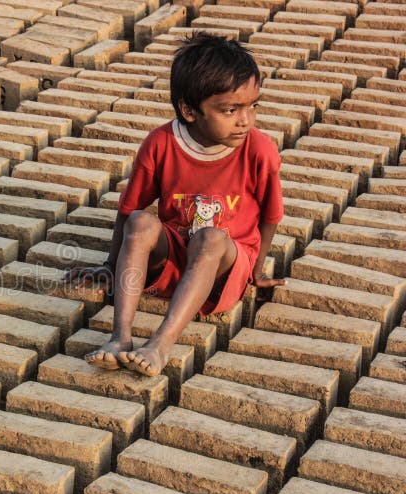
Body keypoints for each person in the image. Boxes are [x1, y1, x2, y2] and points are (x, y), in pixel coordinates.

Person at [64, 33, 286, 377]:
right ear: (188, 110)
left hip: (225, 263)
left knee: (210, 238)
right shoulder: (161, 143)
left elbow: (271, 217)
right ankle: (120, 336)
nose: (246, 120)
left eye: (253, 106)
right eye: (230, 110)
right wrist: (111, 264)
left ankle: (160, 344)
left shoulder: (259, 150)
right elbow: (128, 211)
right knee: (140, 221)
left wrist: (257, 269)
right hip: (177, 255)